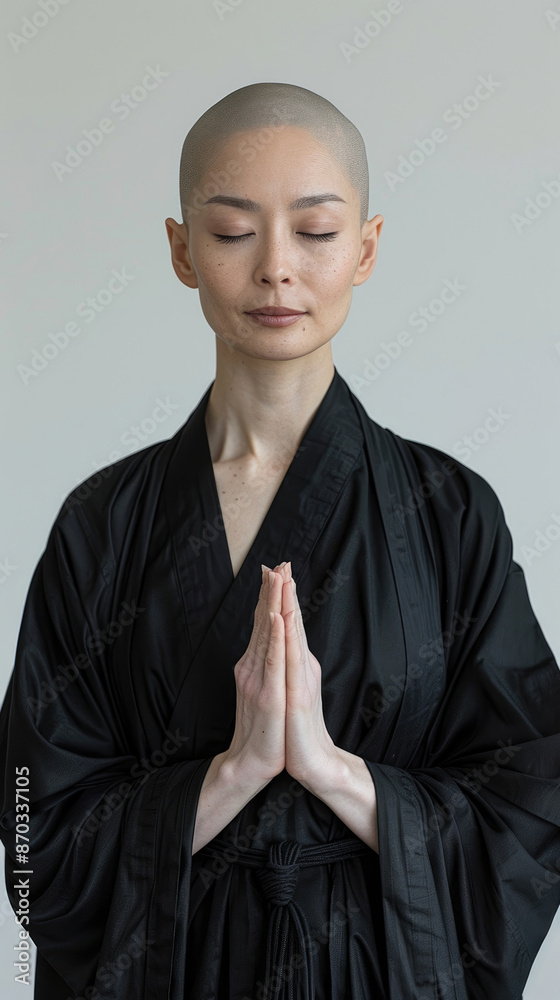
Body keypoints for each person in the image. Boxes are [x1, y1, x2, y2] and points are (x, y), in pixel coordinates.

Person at [1, 81, 559, 1000]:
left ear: (366, 248)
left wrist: (336, 774)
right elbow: (33, 832)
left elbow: (533, 799)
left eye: (316, 231)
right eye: (231, 232)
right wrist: (233, 774)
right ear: (181, 250)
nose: (275, 269)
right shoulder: (103, 524)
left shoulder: (448, 512)